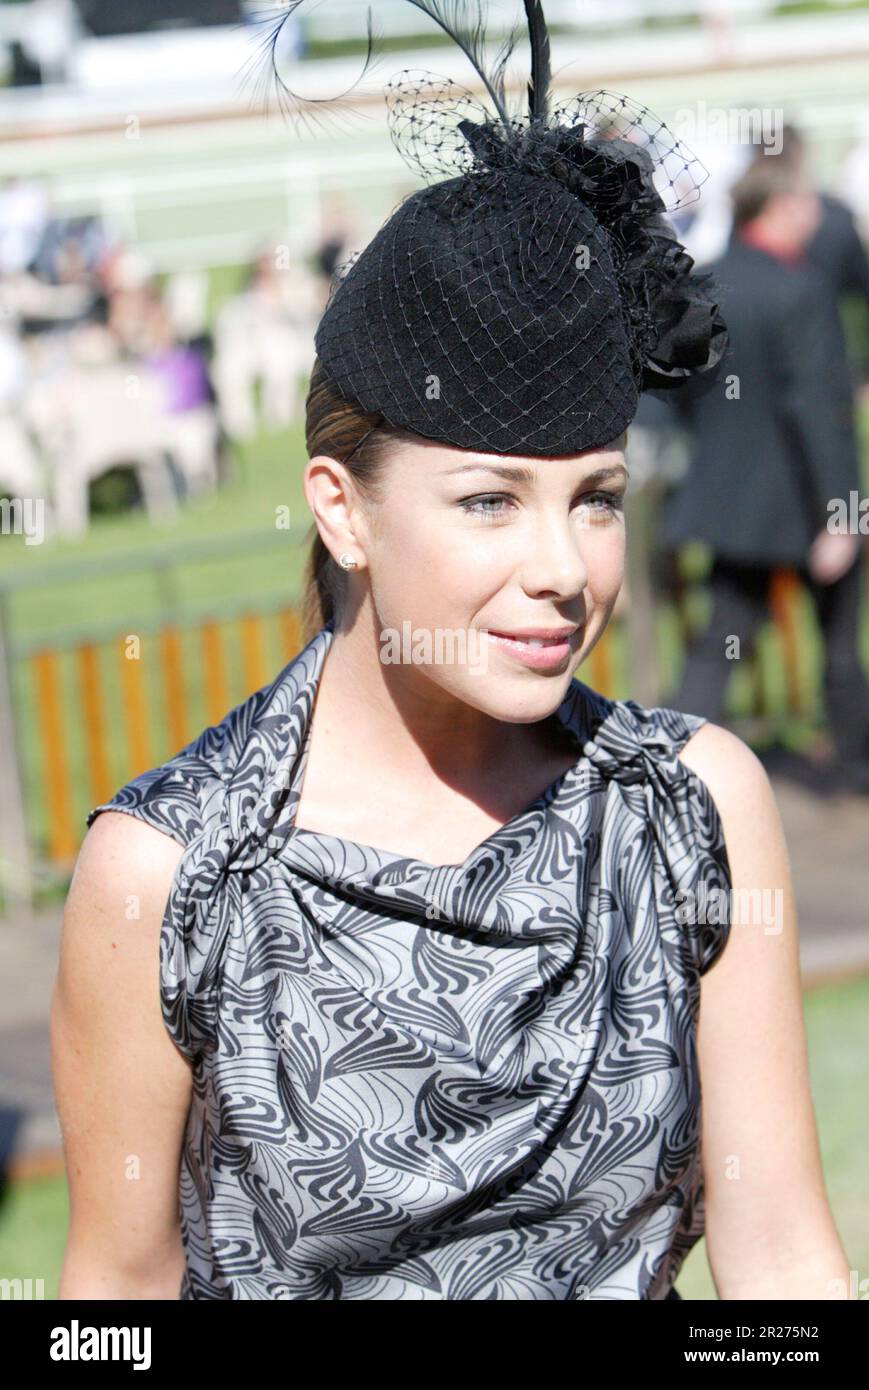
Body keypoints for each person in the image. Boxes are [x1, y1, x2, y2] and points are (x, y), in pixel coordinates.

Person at [52, 1, 852, 1301]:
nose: (563, 566)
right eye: (489, 500)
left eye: (595, 498)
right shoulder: (173, 871)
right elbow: (110, 1305)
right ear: (340, 509)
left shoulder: (690, 810)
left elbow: (780, 1263)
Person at [663, 155, 869, 788]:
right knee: (840, 645)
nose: (816, 215)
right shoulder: (801, 287)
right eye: (806, 202)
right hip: (805, 503)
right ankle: (855, 771)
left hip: (733, 501)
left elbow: (682, 388)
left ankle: (671, 768)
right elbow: (819, 410)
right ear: (778, 209)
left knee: (719, 641)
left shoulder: (707, 283)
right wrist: (842, 514)